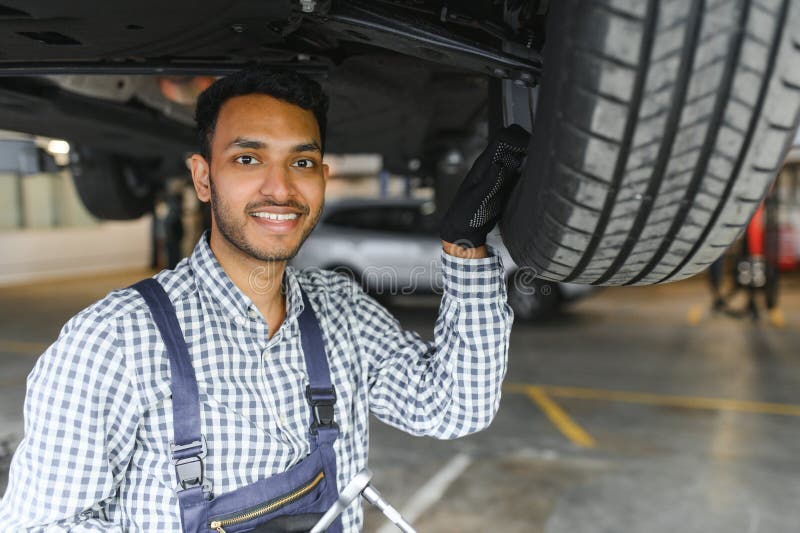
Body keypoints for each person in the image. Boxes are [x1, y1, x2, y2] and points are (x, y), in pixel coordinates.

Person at [0, 67, 529, 531]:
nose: (280, 188)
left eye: (301, 163)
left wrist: (466, 250)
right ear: (204, 177)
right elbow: (43, 524)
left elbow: (453, 409)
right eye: (248, 158)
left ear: (323, 178)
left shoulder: (340, 310)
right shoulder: (111, 341)